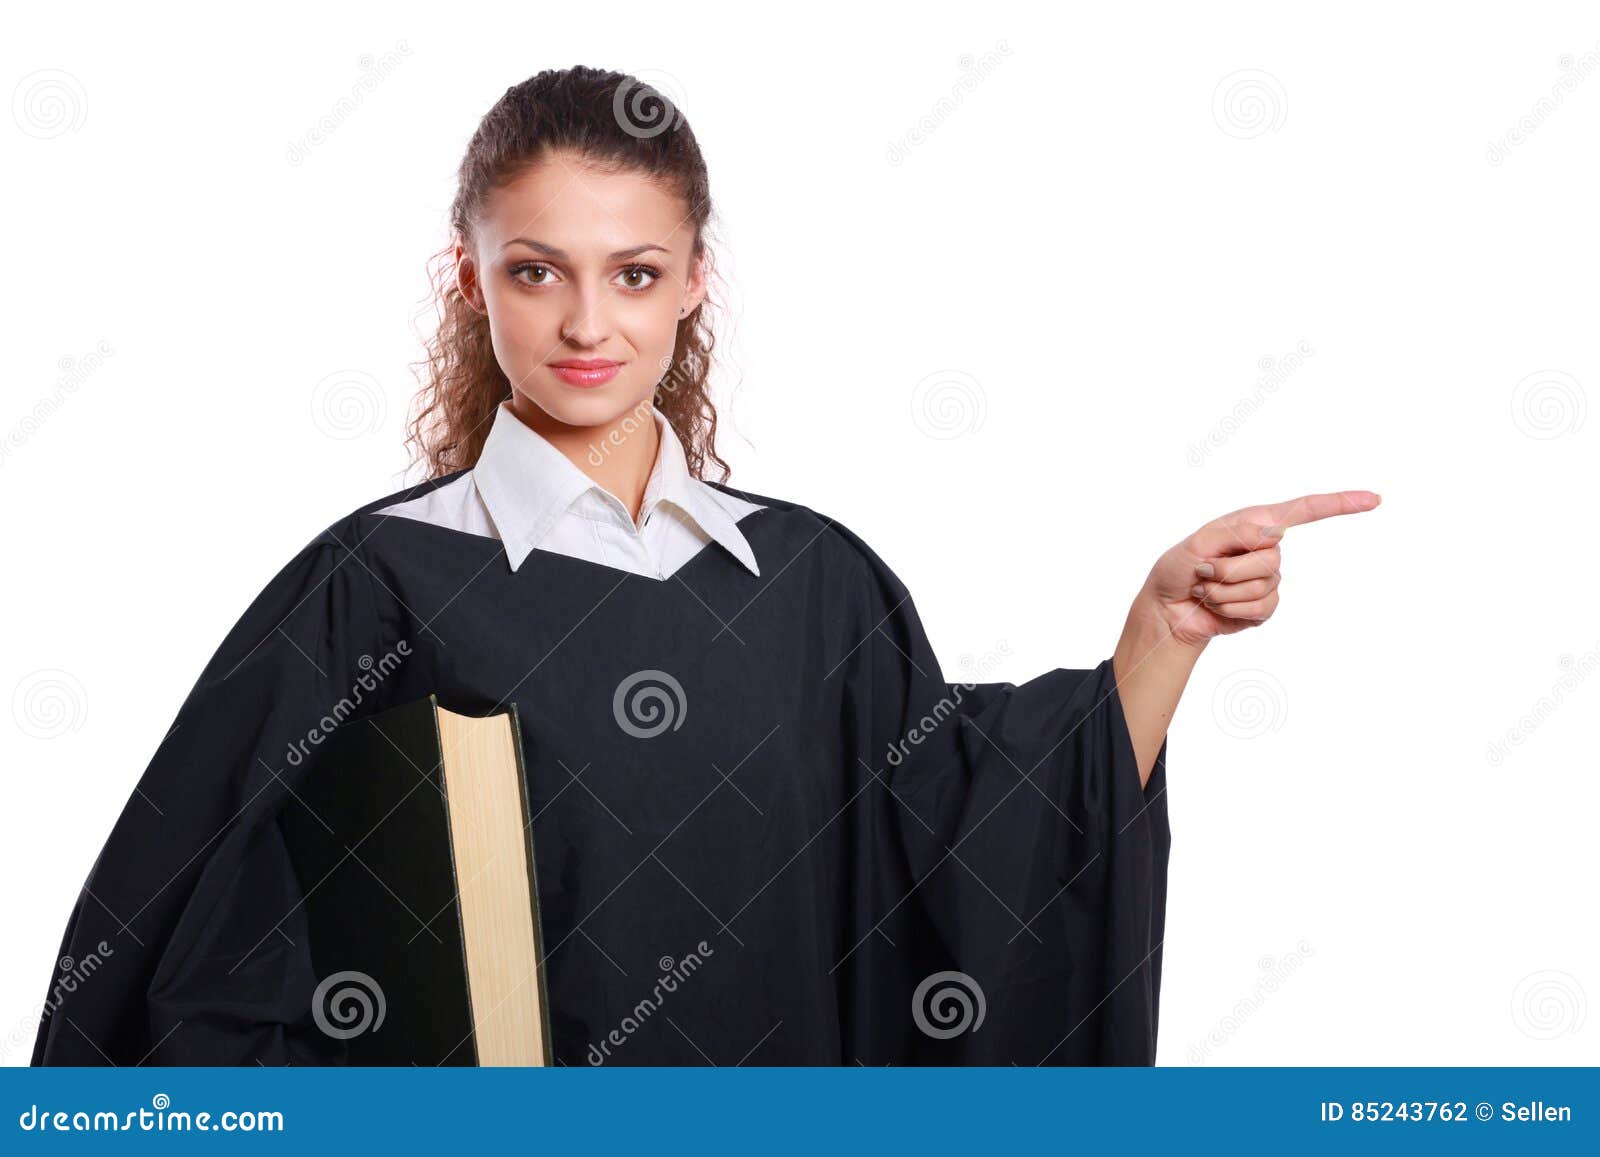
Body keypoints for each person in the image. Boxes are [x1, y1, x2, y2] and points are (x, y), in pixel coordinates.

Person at [30, 65, 1379, 1067]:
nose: (583, 323)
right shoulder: (374, 586)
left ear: (692, 285)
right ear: (471, 278)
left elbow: (974, 850)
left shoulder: (813, 583)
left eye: (633, 273)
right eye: (536, 270)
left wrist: (1162, 630)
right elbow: (194, 949)